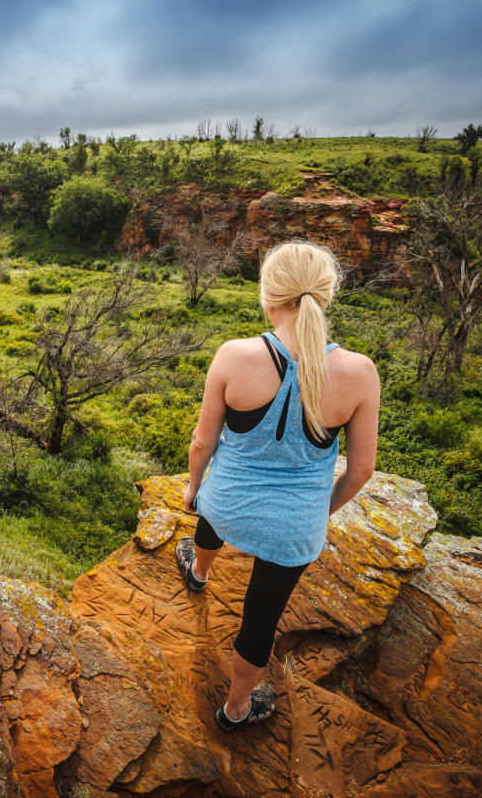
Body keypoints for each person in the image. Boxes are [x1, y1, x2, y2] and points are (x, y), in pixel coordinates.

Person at [178, 239, 380, 732]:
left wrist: (192, 489)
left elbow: (203, 443)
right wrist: (316, 513)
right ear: (326, 296)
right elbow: (360, 471)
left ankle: (199, 571)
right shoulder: (359, 372)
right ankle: (237, 709)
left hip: (224, 504)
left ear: (269, 297)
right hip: (292, 530)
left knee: (216, 501)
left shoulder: (234, 356)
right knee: (261, 616)